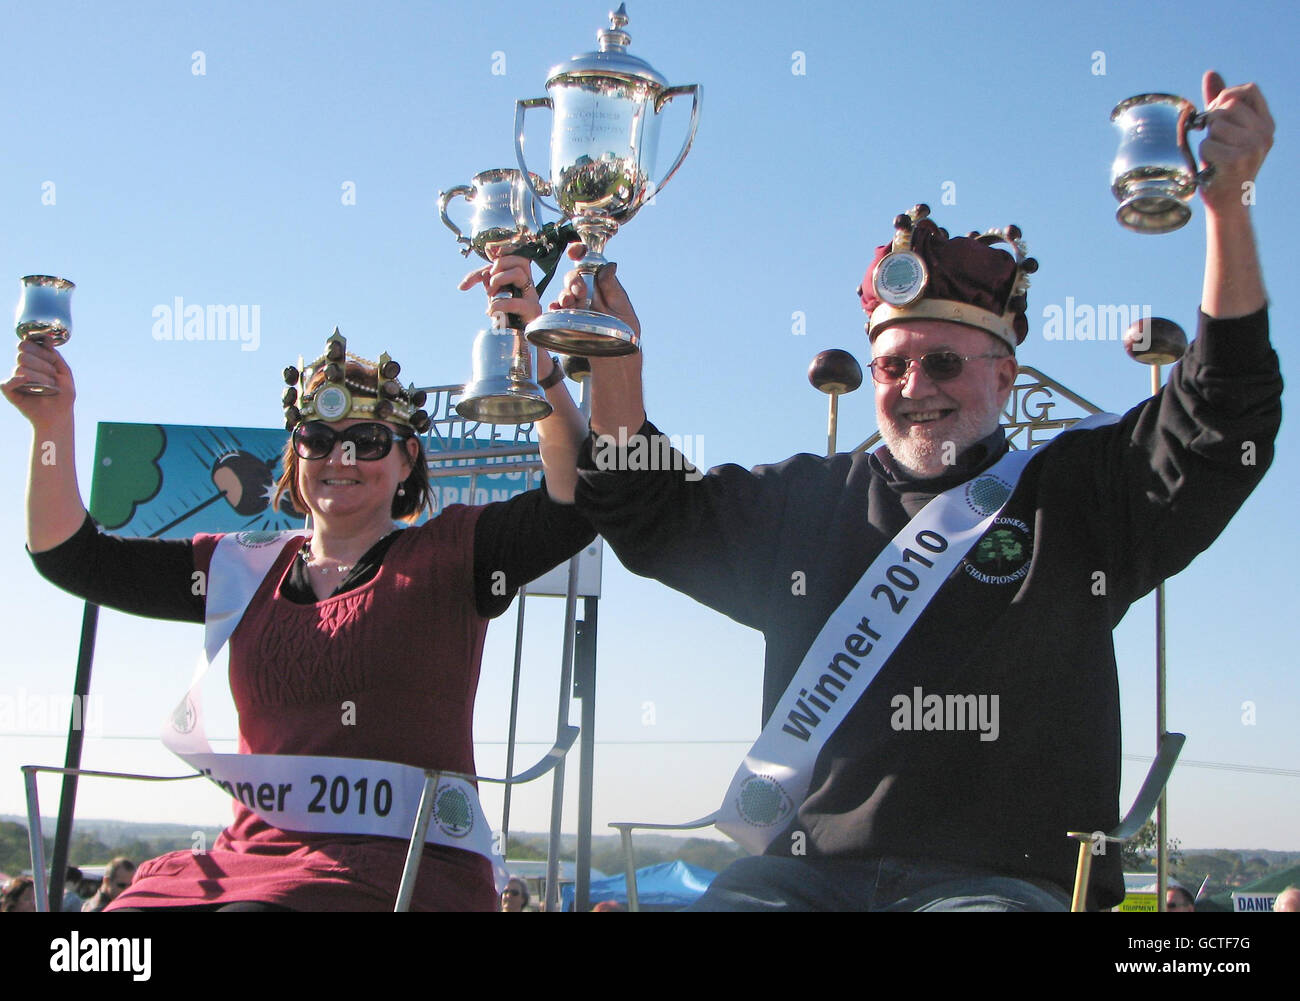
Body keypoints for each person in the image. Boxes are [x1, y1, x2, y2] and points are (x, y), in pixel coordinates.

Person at [566, 71, 1279, 911]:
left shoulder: (1080, 495)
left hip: (1002, 880)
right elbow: (652, 511)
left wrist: (1229, 209)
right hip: (801, 876)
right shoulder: (807, 501)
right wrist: (616, 361)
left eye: (943, 362)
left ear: (1005, 375)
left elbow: (1220, 418)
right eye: (891, 366)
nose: (913, 386)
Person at [6, 259, 593, 911]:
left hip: (404, 869)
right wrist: (51, 426)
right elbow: (72, 558)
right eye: (318, 438)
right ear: (295, 457)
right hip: (249, 862)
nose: (340, 459)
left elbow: (576, 503)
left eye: (368, 440)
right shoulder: (238, 568)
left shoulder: (452, 552)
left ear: (407, 462)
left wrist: (541, 372)